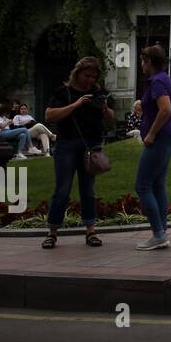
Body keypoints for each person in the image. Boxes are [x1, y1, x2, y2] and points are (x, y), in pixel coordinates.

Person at [42, 56, 113, 249]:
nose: (90, 80)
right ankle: (52, 232)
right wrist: (76, 105)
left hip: (91, 146)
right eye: (86, 76)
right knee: (62, 189)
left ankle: (91, 231)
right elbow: (49, 115)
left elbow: (110, 117)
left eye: (93, 77)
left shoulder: (98, 92)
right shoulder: (63, 92)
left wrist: (104, 108)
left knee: (88, 190)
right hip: (67, 144)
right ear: (77, 73)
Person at [136, 45, 171, 250]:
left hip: (160, 139)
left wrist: (152, 134)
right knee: (157, 185)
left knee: (143, 185)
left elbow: (165, 110)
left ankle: (158, 234)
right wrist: (142, 106)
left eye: (142, 60)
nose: (141, 64)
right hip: (168, 137)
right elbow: (159, 108)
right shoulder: (163, 79)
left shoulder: (157, 81)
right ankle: (161, 231)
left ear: (148, 62)